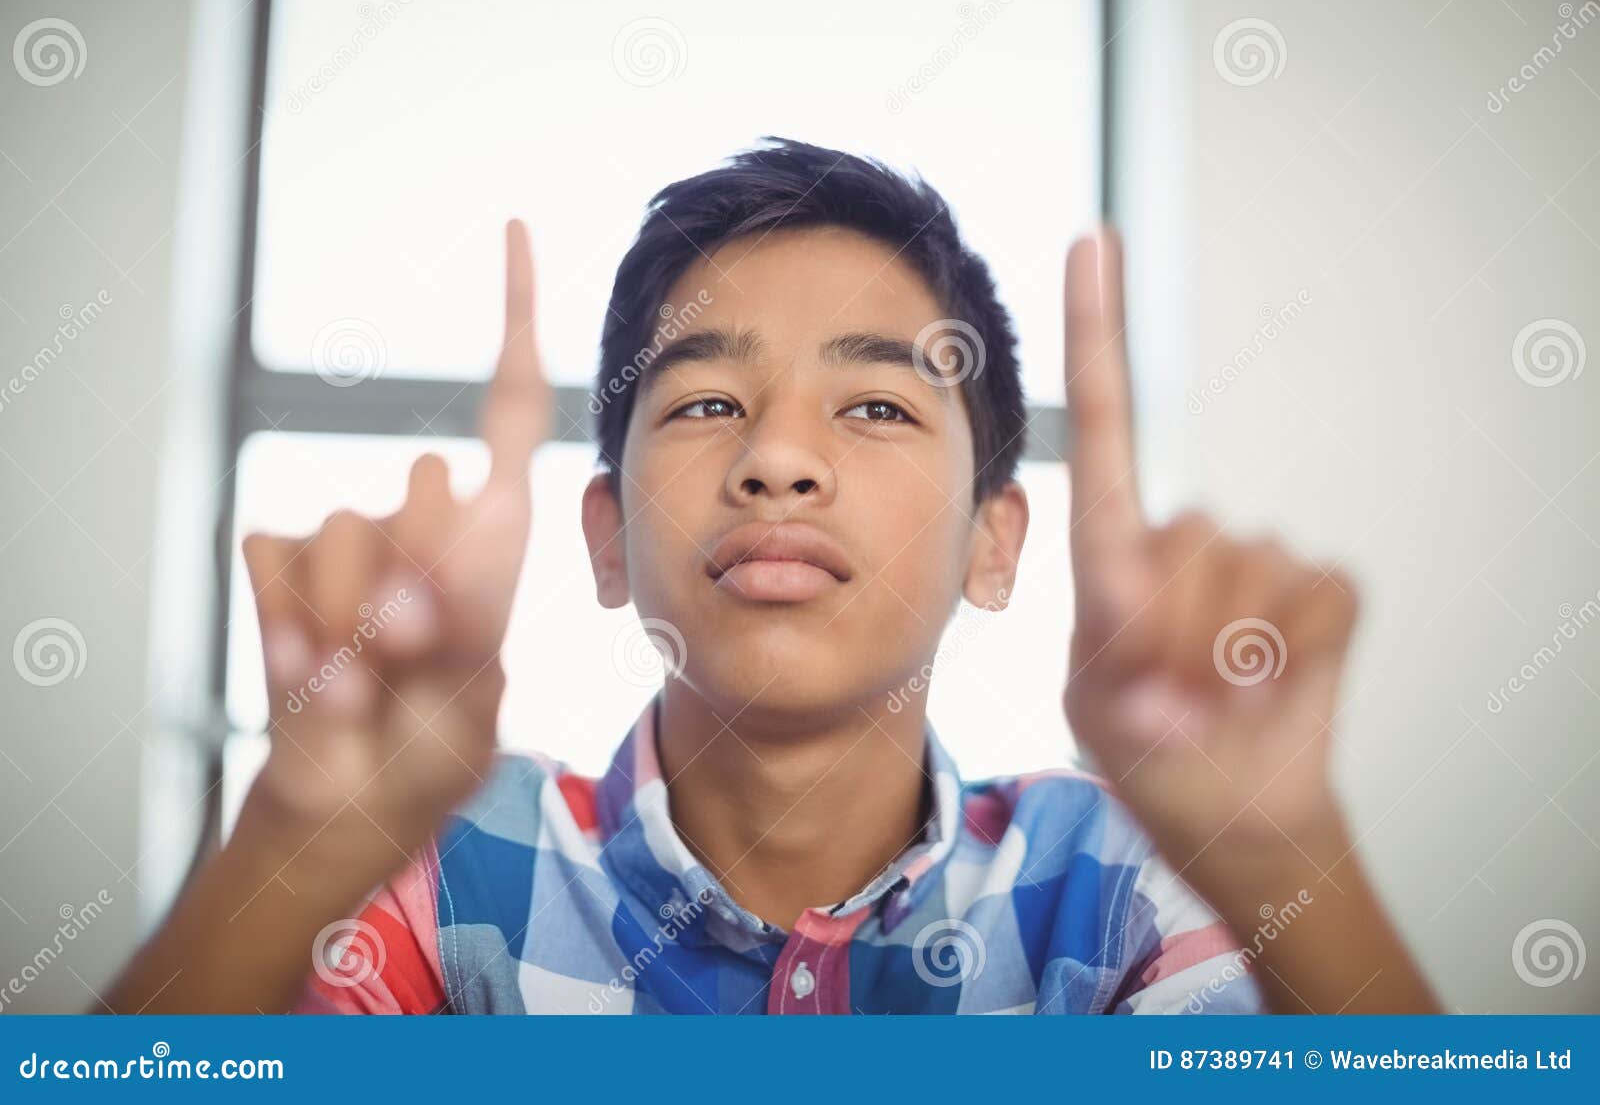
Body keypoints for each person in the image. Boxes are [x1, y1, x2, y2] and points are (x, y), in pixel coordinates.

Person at [103, 138, 1436, 1014]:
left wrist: (1280, 854)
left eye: (874, 407)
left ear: (997, 541)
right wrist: (287, 848)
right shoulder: (440, 878)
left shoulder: (1119, 884)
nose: (780, 458)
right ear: (609, 538)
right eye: (702, 404)